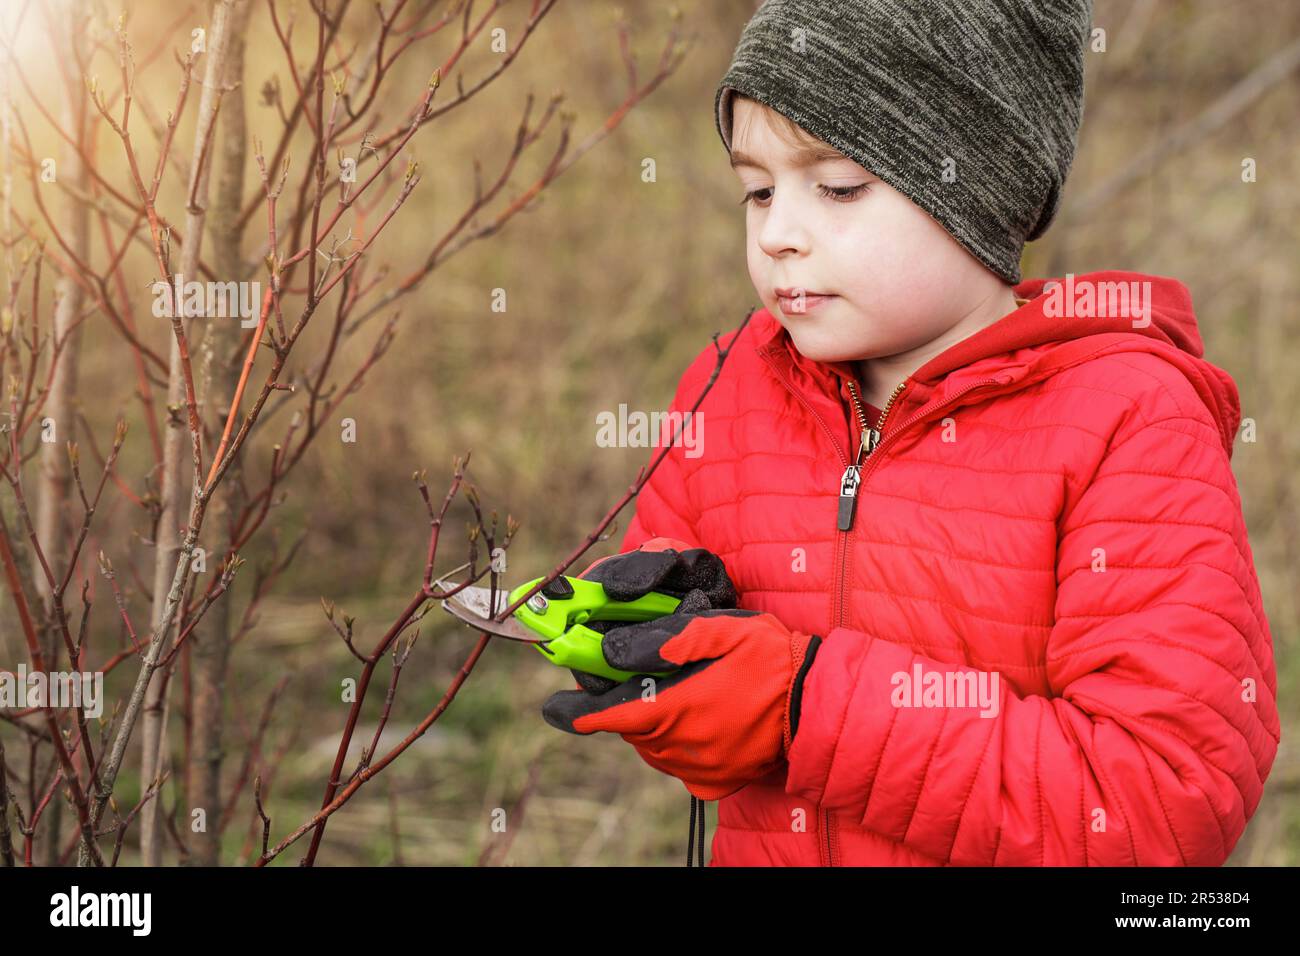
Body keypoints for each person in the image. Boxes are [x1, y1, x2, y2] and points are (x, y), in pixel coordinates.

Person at [542, 0, 1280, 866]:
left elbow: (1161, 802)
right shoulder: (728, 385)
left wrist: (805, 706)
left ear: (982, 192)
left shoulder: (1126, 418)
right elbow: (702, 703)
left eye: (840, 187)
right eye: (757, 190)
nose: (778, 233)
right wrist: (664, 645)